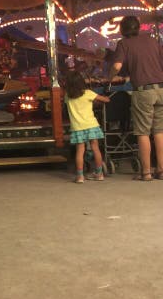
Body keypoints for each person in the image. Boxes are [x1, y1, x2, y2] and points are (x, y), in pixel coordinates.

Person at [109, 16, 163, 181]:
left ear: (122, 29)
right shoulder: (152, 40)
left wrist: (110, 76)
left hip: (143, 91)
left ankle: (146, 173)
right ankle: (161, 170)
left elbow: (117, 66)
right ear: (138, 27)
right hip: (161, 88)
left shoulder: (124, 44)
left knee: (143, 132)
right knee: (160, 131)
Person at [64, 71, 109, 183]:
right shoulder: (88, 93)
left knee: (80, 151)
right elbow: (106, 100)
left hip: (77, 127)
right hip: (91, 125)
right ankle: (99, 174)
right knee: (95, 148)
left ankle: (80, 176)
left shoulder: (67, 96)